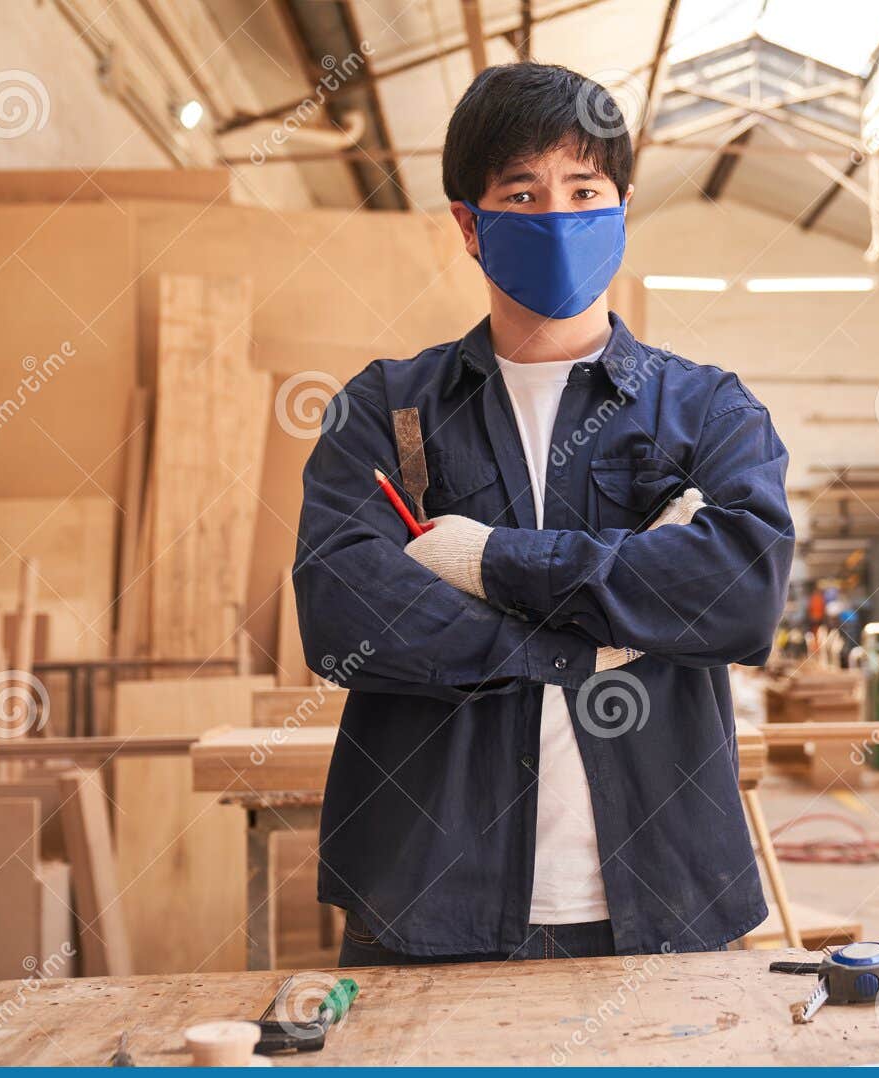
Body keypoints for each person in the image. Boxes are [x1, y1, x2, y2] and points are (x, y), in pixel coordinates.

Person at [293, 62, 794, 966]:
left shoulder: (708, 412)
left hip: (667, 899)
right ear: (468, 225)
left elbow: (741, 591)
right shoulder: (387, 411)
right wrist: (595, 631)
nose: (557, 216)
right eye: (521, 193)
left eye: (583, 189)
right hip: (423, 898)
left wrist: (486, 561)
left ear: (623, 206)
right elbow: (340, 610)